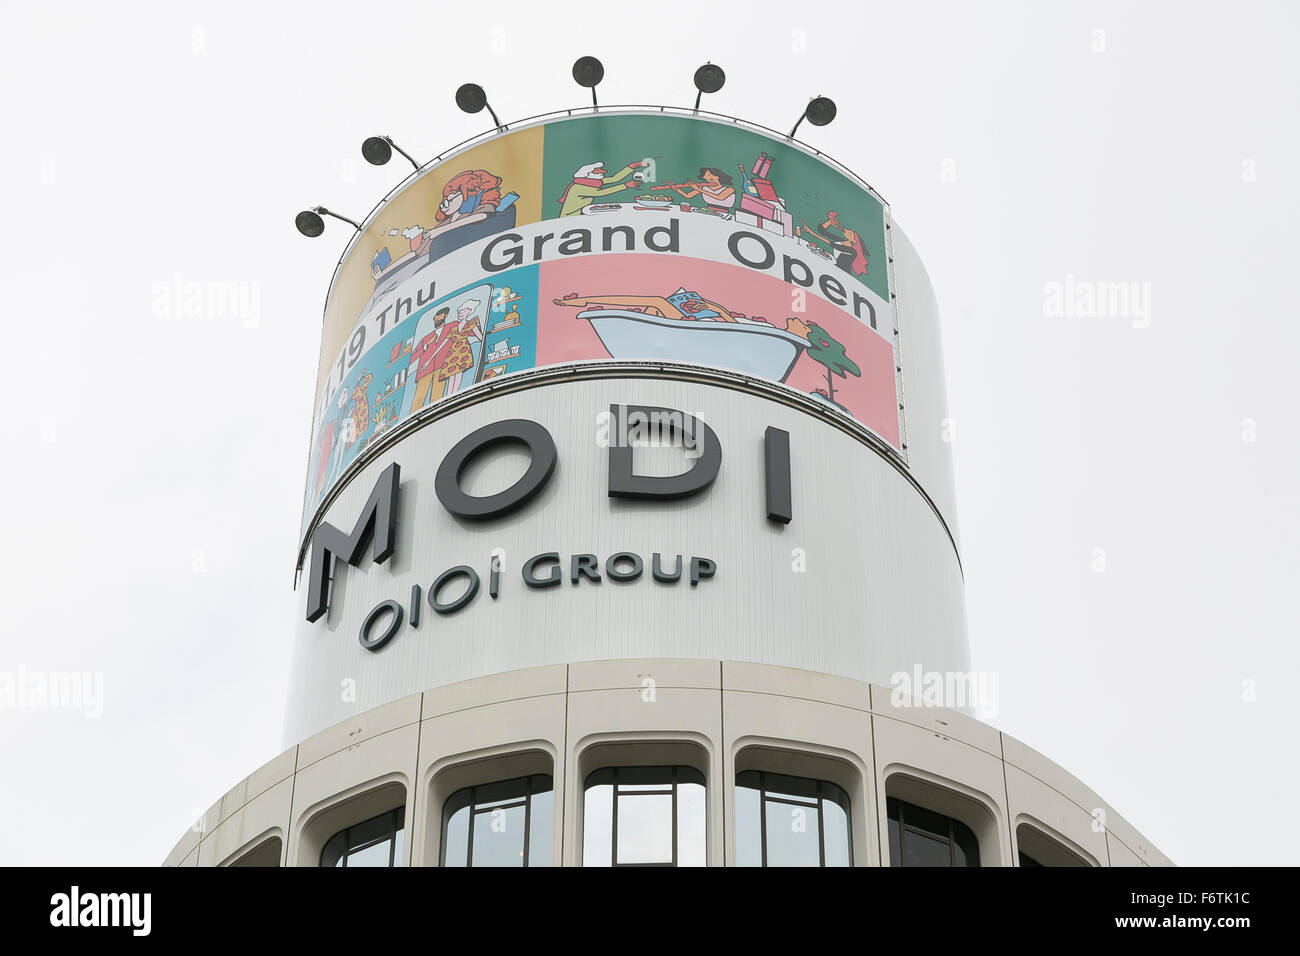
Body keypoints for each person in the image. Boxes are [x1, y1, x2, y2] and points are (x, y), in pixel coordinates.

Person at [557, 160, 646, 216]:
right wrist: (626, 185)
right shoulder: (578, 187)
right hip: (570, 217)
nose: (603, 171)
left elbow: (615, 179)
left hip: (582, 213)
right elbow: (601, 193)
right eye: (598, 170)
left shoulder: (593, 182)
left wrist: (631, 167)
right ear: (588, 173)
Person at [667, 167, 736, 209]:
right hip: (707, 210)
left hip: (725, 213)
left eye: (709, 175)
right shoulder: (704, 187)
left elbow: (719, 197)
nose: (708, 178)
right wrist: (676, 189)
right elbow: (687, 196)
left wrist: (697, 188)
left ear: (717, 175)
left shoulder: (729, 189)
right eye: (706, 177)